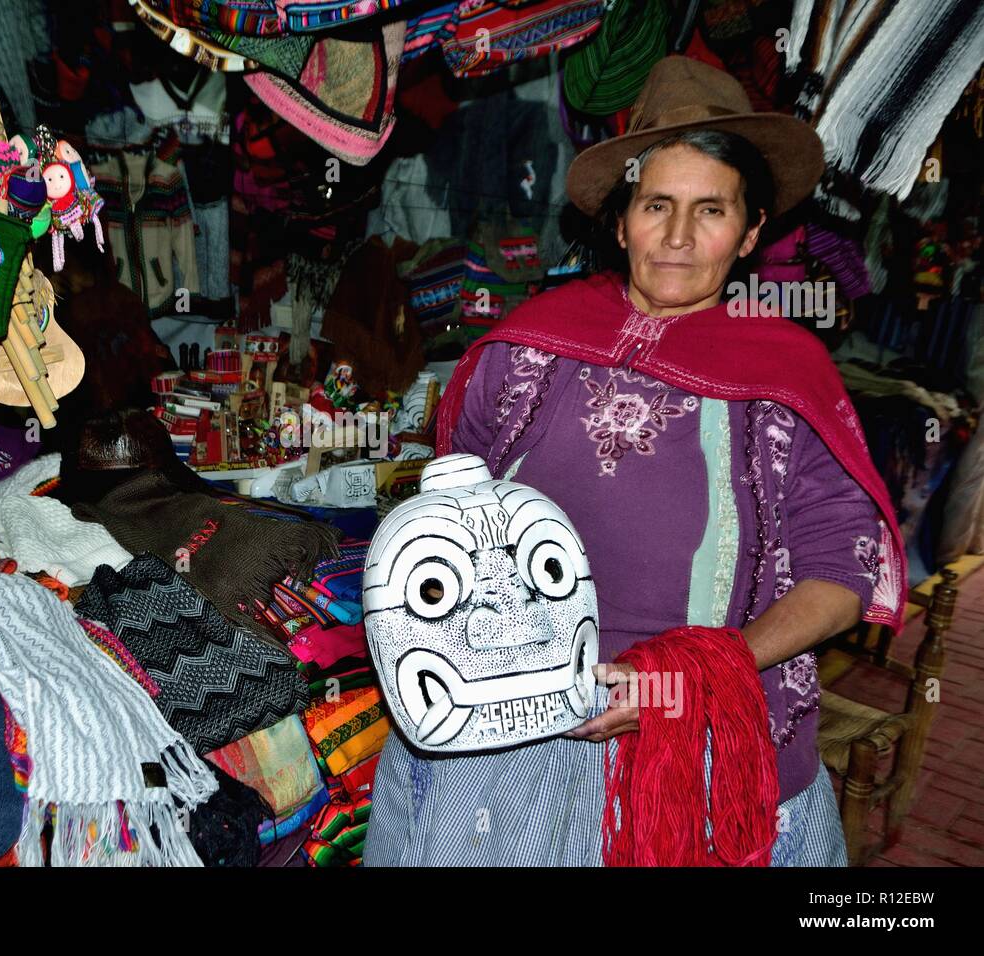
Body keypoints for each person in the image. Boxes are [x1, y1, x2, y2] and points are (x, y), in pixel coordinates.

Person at [363, 56, 907, 867]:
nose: (680, 238)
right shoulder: (523, 348)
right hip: (510, 738)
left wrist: (691, 676)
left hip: (706, 737)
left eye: (711, 210)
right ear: (620, 221)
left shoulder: (791, 376)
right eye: (657, 205)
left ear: (752, 230)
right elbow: (444, 535)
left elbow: (844, 572)